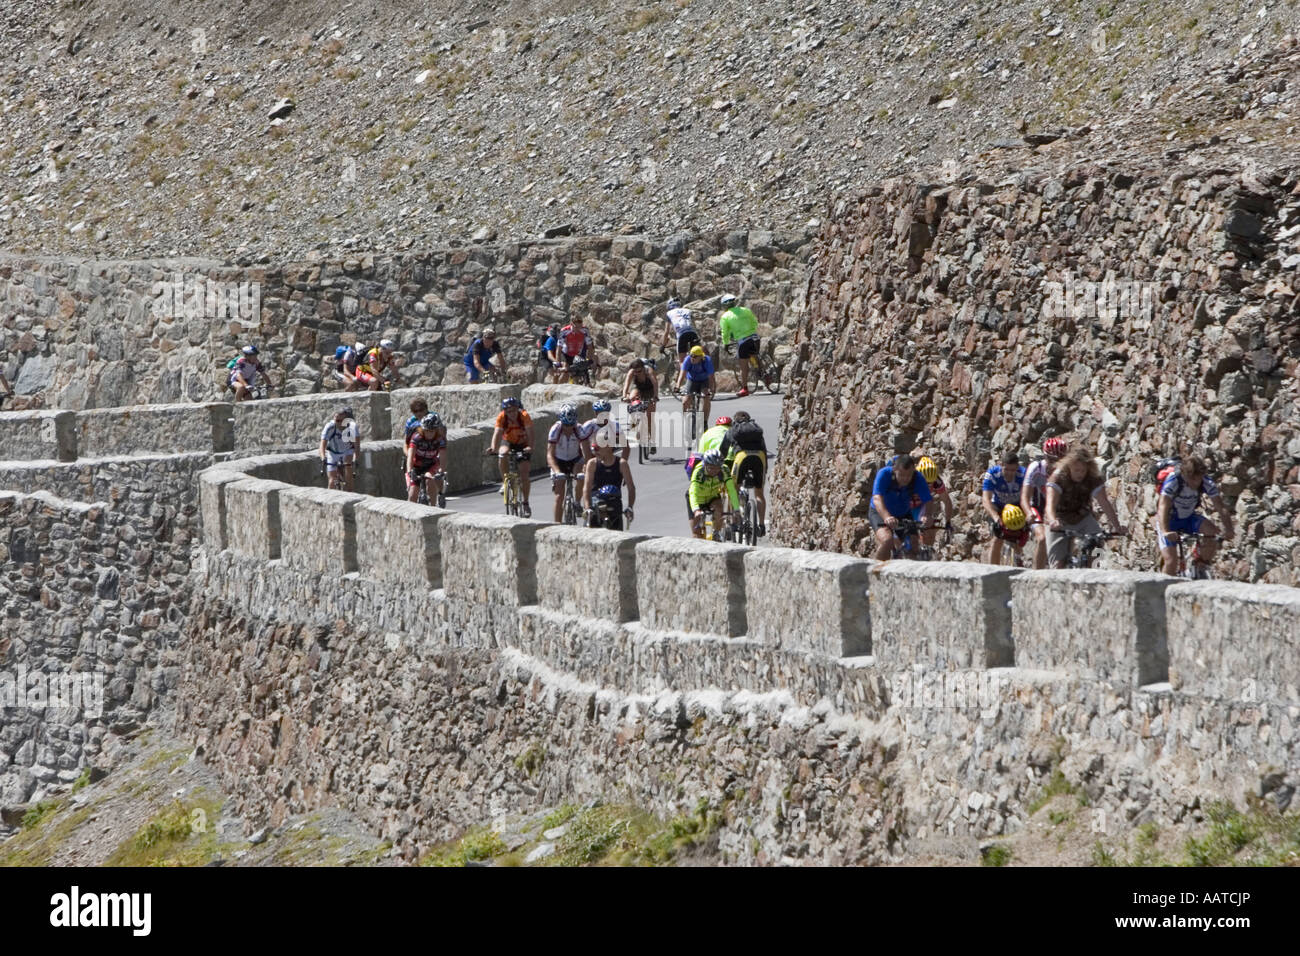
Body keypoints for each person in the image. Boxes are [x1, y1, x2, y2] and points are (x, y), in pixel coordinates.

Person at [1044, 447, 1127, 568]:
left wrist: (1117, 526)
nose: (1080, 474)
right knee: (1057, 565)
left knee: (1098, 541)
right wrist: (1052, 521)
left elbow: (1104, 503)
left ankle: (1094, 569)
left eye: (1083, 470)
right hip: (1059, 519)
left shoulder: (1093, 478)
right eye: (1076, 470)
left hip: (1082, 517)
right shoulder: (1058, 478)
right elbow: (1050, 505)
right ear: (1069, 467)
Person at [1156, 455, 1234, 576]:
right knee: (1171, 561)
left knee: (1212, 532)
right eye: (1193, 479)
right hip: (1169, 520)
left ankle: (1199, 566)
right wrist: (1165, 531)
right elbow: (1162, 506)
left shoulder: (1206, 481)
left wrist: (1229, 529)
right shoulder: (1173, 480)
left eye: (1199, 479)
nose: (1196, 483)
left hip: (1188, 518)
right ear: (1184, 475)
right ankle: (1161, 591)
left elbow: (1220, 507)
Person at [869, 453, 932, 560]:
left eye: (909, 475)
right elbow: (877, 498)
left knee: (914, 544)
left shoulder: (918, 478)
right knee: (887, 540)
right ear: (894, 470)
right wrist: (887, 517)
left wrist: (927, 515)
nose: (905, 479)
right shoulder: (884, 474)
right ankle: (875, 571)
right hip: (880, 512)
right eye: (901, 475)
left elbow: (928, 500)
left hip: (903, 513)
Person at [719, 410, 769, 536]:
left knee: (734, 488)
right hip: (759, 457)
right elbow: (764, 449)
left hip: (741, 457)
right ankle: (761, 525)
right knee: (759, 492)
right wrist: (765, 469)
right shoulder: (756, 430)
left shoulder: (734, 429)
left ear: (735, 420)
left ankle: (735, 521)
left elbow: (723, 451)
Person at [1021, 436, 1067, 569]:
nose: (1056, 463)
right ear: (1045, 456)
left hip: (1057, 509)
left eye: (1060, 460)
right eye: (1052, 459)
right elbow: (1025, 497)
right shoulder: (1036, 468)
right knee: (1042, 539)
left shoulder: (1068, 471)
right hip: (1038, 508)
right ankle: (1037, 577)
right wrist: (1029, 513)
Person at [982, 449, 1027, 565]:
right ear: (1001, 465)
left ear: (1017, 467)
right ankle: (993, 571)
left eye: (1013, 470)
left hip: (1017, 506)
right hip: (998, 507)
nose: (1010, 473)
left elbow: (1028, 497)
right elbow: (986, 500)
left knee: (1017, 537)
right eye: (1006, 469)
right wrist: (996, 518)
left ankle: (1018, 560)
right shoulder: (992, 474)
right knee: (998, 539)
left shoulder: (1023, 474)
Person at [547, 404, 591, 522]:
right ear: (561, 421)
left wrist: (586, 468)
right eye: (566, 425)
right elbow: (549, 455)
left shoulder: (579, 429)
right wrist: (556, 471)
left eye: (571, 425)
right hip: (559, 461)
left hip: (575, 460)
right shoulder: (555, 429)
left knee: (581, 477)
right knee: (559, 496)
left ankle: (576, 502)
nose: (569, 428)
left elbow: (586, 452)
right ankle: (557, 525)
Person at [491, 396, 534, 517]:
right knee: (502, 453)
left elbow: (531, 433)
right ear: (505, 411)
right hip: (508, 441)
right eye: (509, 411)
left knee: (524, 474)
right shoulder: (502, 417)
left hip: (522, 443)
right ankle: (505, 482)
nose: (512, 413)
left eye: (514, 410)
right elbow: (497, 433)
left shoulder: (524, 416)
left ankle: (525, 503)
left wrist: (529, 447)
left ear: (518, 409)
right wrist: (493, 447)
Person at [582, 439, 636, 531]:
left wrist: (630, 507)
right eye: (593, 448)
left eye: (597, 448)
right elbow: (586, 488)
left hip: (614, 500)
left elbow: (631, 488)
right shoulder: (592, 463)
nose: (595, 451)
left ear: (609, 447)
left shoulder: (621, 464)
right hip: (596, 500)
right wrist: (587, 508)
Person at [687, 450, 738, 540]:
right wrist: (696, 510)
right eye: (711, 468)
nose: (714, 471)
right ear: (705, 465)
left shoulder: (724, 470)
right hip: (697, 499)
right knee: (696, 532)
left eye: (717, 468)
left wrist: (736, 508)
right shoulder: (699, 472)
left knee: (719, 510)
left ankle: (716, 533)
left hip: (712, 497)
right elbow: (693, 492)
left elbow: (731, 490)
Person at [718, 292, 760, 397]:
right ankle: (762, 372)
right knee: (755, 354)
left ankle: (745, 388)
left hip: (743, 341)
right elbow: (755, 322)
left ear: (724, 306)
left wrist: (726, 344)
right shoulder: (746, 310)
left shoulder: (725, 317)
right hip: (755, 338)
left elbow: (725, 333)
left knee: (743, 365)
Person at [914, 456, 953, 550]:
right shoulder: (910, 479)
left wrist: (948, 522)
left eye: (930, 483)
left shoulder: (937, 481)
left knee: (929, 528)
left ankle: (927, 552)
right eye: (925, 483)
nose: (928, 486)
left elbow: (947, 501)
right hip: (906, 504)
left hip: (922, 505)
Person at [406, 414, 447, 504]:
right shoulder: (417, 437)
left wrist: (441, 472)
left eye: (432, 431)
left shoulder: (440, 439)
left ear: (436, 430)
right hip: (416, 466)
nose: (429, 434)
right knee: (412, 495)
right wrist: (409, 471)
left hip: (431, 464)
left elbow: (443, 456)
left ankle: (433, 507)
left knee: (429, 479)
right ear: (422, 429)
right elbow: (410, 455)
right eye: (427, 431)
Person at [621, 357, 658, 454]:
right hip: (638, 389)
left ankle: (652, 442)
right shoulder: (631, 373)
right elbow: (626, 385)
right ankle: (635, 425)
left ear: (643, 367)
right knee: (632, 399)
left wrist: (655, 396)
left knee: (650, 417)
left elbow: (655, 383)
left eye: (639, 371)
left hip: (649, 390)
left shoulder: (648, 370)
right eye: (635, 371)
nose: (637, 373)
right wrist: (624, 396)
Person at [676, 345, 716, 426]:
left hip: (704, 381)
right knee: (685, 401)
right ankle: (686, 421)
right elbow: (682, 374)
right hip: (692, 380)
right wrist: (677, 386)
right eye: (691, 355)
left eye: (695, 356)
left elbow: (711, 377)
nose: (692, 358)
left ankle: (704, 422)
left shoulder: (707, 361)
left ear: (701, 357)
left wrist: (711, 389)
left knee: (706, 397)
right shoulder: (687, 360)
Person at [319, 407, 357, 491]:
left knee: (348, 467)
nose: (338, 423)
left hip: (347, 450)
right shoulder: (330, 427)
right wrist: (323, 457)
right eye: (336, 420)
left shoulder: (351, 427)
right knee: (331, 481)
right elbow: (322, 444)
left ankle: (349, 491)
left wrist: (355, 458)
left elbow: (356, 446)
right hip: (333, 451)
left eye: (340, 421)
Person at [663, 297, 701, 362]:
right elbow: (694, 326)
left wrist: (663, 346)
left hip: (682, 335)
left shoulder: (669, 313)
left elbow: (666, 332)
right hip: (693, 334)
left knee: (682, 361)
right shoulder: (688, 310)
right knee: (698, 357)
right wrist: (699, 336)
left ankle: (684, 370)